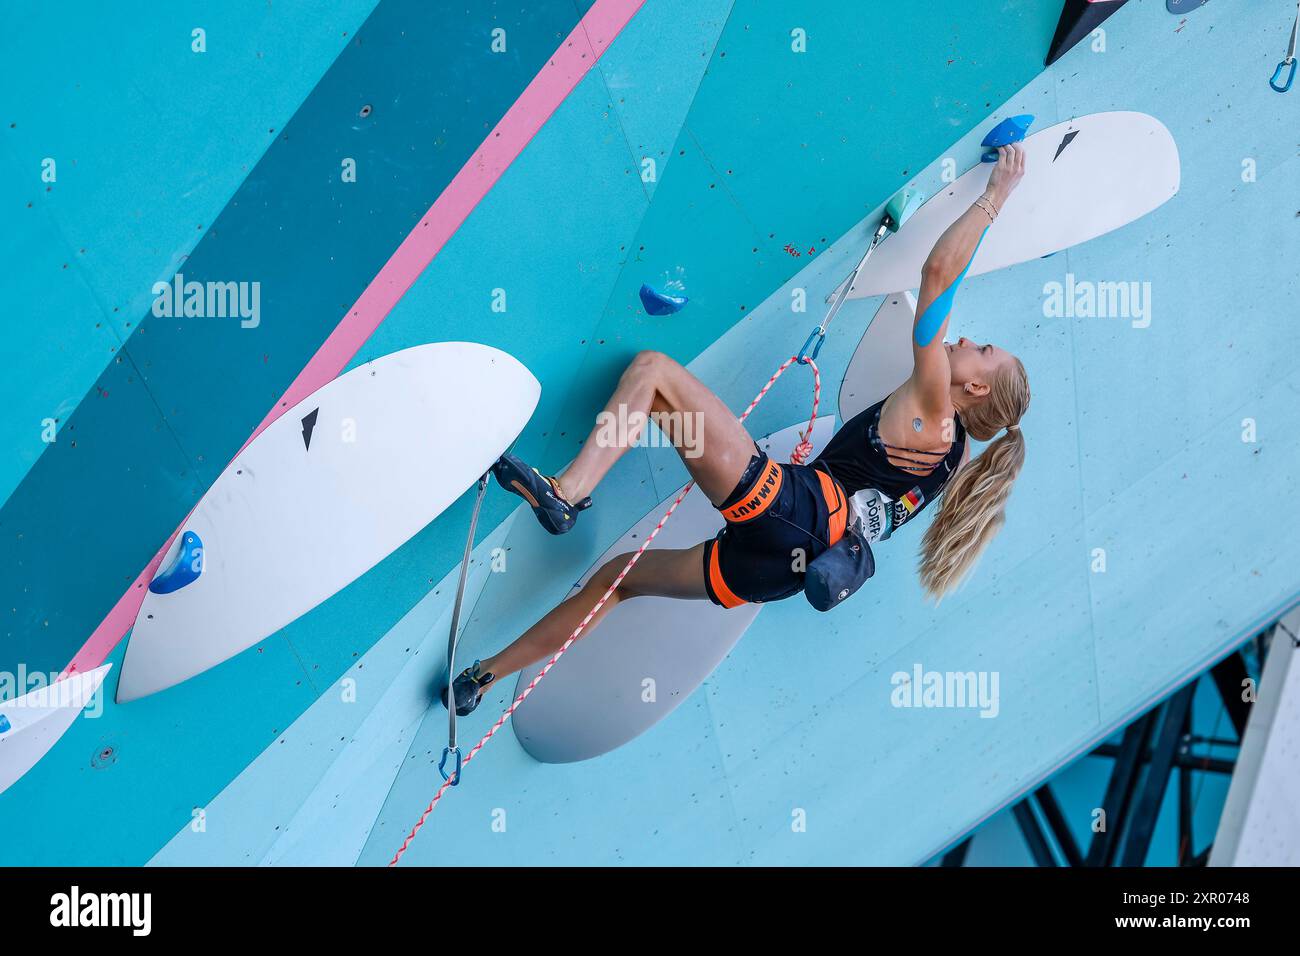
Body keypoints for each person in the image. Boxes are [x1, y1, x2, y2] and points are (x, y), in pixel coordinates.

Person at [444, 145, 1031, 716]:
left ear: (975, 389)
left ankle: (567, 494)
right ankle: (481, 679)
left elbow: (937, 277)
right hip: (772, 570)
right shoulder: (947, 462)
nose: (963, 342)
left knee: (652, 374)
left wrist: (995, 195)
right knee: (617, 583)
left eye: (981, 350)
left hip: (792, 510)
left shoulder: (938, 415)